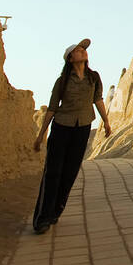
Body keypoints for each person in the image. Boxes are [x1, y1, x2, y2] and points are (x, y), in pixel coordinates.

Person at [32, 39, 111, 233]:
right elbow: (52, 108)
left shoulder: (94, 77)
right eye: (78, 50)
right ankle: (42, 218)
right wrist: (41, 134)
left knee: (70, 172)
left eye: (83, 49)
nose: (83, 51)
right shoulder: (63, 81)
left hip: (82, 127)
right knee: (53, 172)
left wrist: (106, 122)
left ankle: (55, 212)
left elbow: (98, 99)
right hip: (62, 127)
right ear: (70, 58)